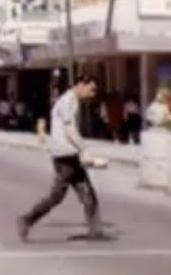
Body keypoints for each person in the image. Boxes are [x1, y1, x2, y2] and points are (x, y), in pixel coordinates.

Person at [16, 74, 106, 242]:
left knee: (88, 194)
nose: (92, 94)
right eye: (91, 89)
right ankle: (26, 219)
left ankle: (96, 232)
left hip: (69, 155)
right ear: (81, 85)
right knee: (57, 196)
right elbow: (69, 128)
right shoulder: (67, 101)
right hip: (65, 156)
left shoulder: (71, 100)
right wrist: (84, 149)